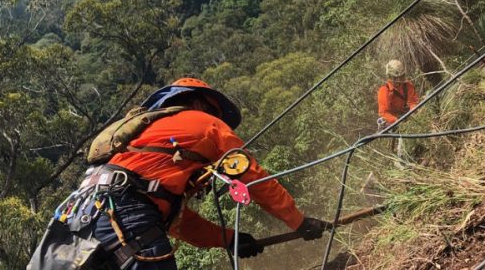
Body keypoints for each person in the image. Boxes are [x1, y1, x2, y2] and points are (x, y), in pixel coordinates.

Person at [30, 78, 329, 270]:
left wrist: (228, 238)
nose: (218, 120)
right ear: (200, 103)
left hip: (76, 217)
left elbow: (176, 224)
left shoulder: (144, 140)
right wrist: (299, 221)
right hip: (124, 216)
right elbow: (252, 176)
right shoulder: (203, 123)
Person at [376, 60, 419, 165]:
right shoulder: (384, 91)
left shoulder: (407, 86)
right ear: (390, 77)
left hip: (404, 116)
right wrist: (397, 121)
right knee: (401, 131)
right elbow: (383, 112)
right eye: (396, 78)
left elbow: (414, 102)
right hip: (390, 120)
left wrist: (413, 112)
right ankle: (401, 160)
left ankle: (413, 152)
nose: (399, 80)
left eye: (401, 77)